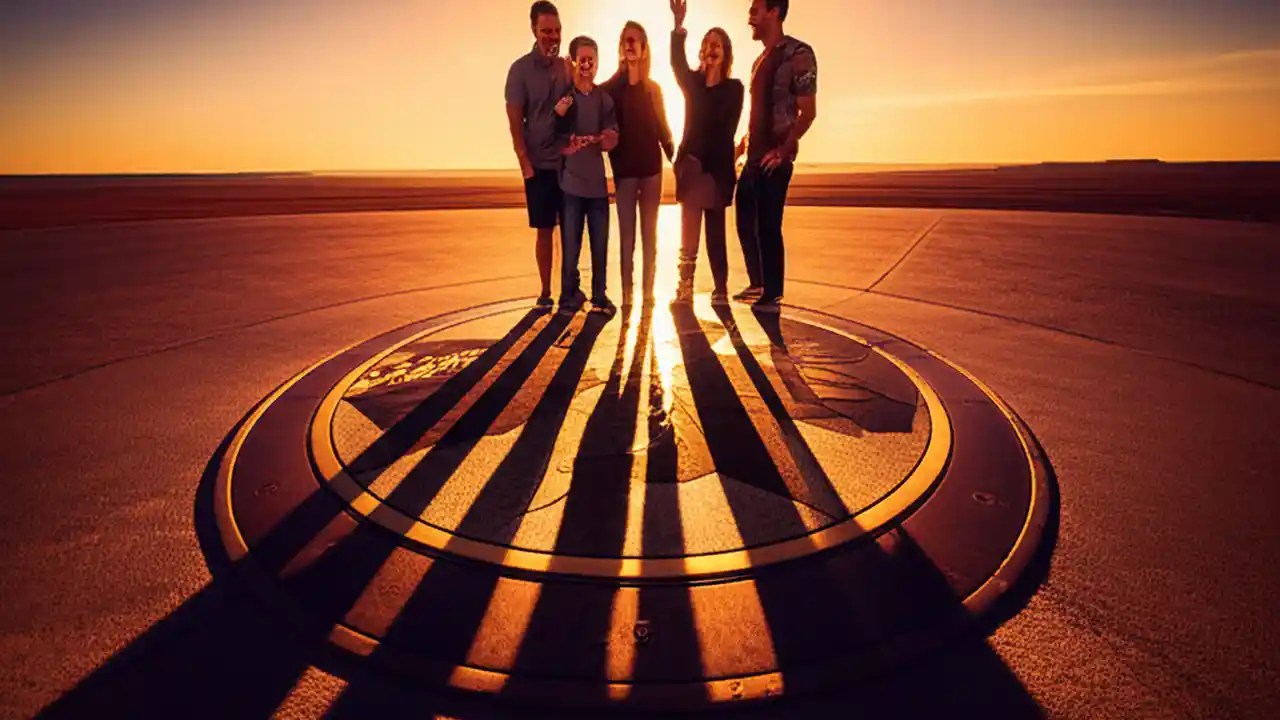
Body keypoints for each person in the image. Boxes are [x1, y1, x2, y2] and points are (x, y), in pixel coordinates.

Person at [735, 0, 818, 312]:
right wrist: (742, 146)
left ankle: (772, 293)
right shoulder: (758, 61)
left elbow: (808, 112)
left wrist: (785, 149)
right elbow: (756, 113)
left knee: (768, 224)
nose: (750, 19)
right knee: (744, 215)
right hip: (753, 155)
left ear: (773, 11)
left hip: (776, 155)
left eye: (754, 11)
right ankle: (758, 283)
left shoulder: (799, 54)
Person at [669, 0, 744, 306]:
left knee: (715, 233)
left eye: (718, 45)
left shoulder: (734, 89)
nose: (711, 48)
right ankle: (684, 289)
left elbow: (723, 127)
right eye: (707, 43)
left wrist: (712, 74)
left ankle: (720, 289)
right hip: (692, 166)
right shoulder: (693, 84)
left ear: (725, 54)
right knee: (689, 235)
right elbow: (676, 64)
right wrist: (678, 26)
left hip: (716, 169)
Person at [600, 22, 676, 309]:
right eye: (625, 41)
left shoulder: (653, 89)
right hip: (625, 174)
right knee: (627, 237)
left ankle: (648, 293)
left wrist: (676, 160)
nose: (629, 45)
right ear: (621, 48)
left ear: (644, 48)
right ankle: (627, 294)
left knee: (650, 236)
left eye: (635, 41)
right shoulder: (609, 89)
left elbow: (663, 128)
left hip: (652, 172)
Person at [505, 1, 572, 309]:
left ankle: (569, 290)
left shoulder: (566, 66)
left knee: (571, 229)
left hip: (567, 164)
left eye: (557, 31)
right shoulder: (519, 71)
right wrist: (525, 165)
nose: (553, 37)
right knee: (545, 230)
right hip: (539, 167)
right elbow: (515, 121)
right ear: (534, 30)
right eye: (546, 31)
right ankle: (546, 291)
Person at [556, 35, 620, 315]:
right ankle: (568, 295)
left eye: (590, 59)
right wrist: (565, 146)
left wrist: (607, 137)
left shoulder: (604, 100)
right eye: (581, 59)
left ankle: (599, 295)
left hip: (597, 188)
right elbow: (554, 134)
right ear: (573, 62)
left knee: (600, 246)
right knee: (571, 246)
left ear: (597, 63)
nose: (586, 64)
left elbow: (612, 137)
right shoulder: (565, 98)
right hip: (570, 186)